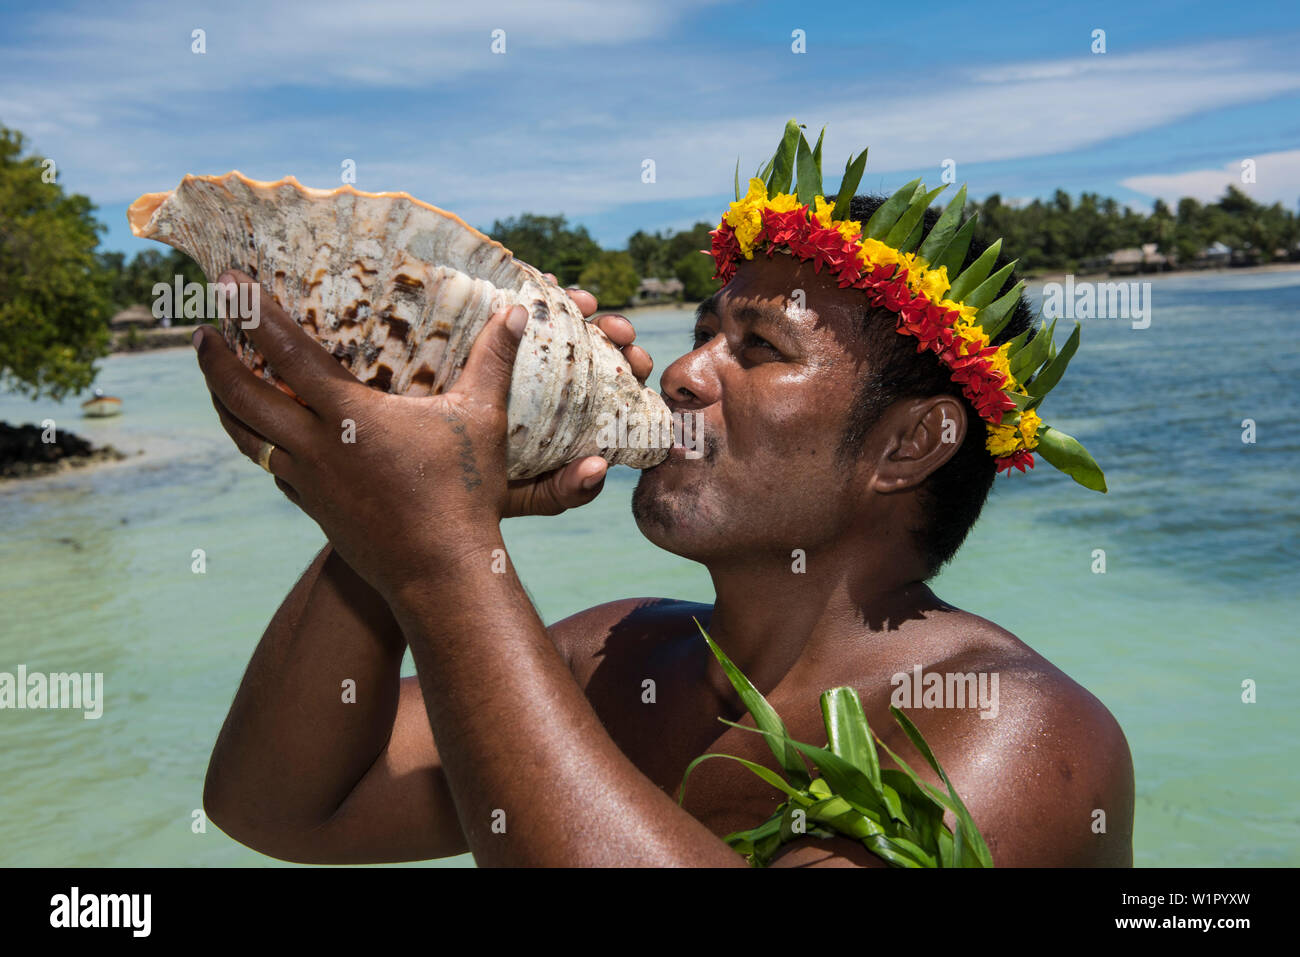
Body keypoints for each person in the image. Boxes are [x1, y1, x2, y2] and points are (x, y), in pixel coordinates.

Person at [197, 126, 1133, 867]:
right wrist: (394, 507)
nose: (683, 373)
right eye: (699, 334)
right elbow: (282, 805)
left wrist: (439, 563)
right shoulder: (614, 656)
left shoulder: (1018, 732)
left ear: (907, 443)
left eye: (758, 348)